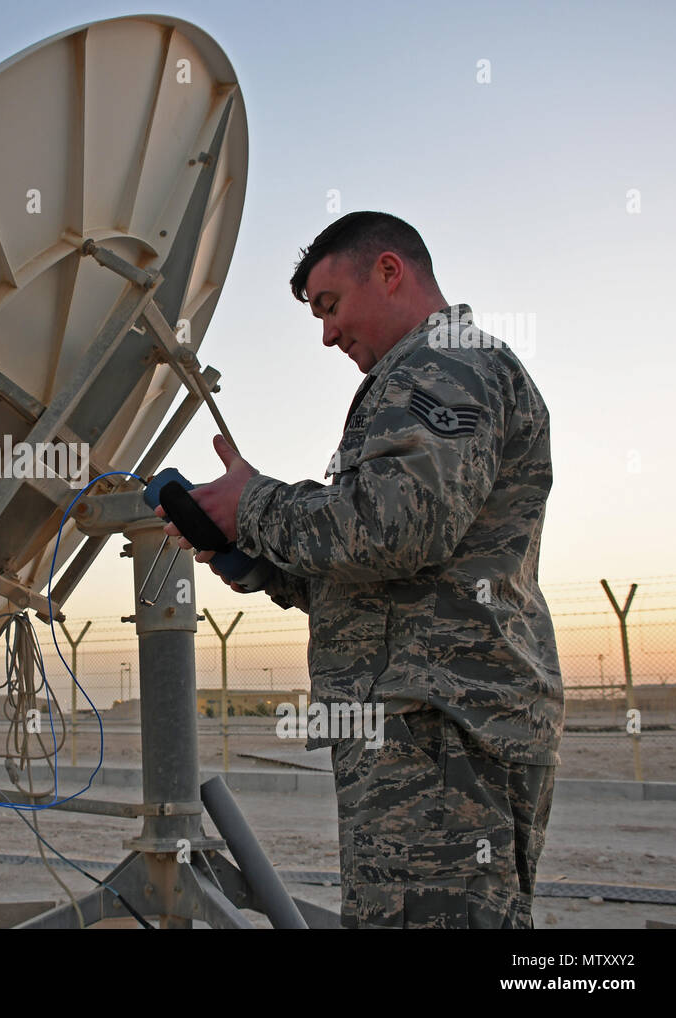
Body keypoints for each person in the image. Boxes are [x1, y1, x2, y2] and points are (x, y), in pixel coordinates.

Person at [156, 211, 563, 928]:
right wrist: (255, 561)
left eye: (330, 306)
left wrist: (254, 505)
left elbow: (395, 523)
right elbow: (381, 568)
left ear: (389, 271)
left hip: (441, 728)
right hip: (422, 725)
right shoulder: (425, 373)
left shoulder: (446, 364)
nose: (326, 334)